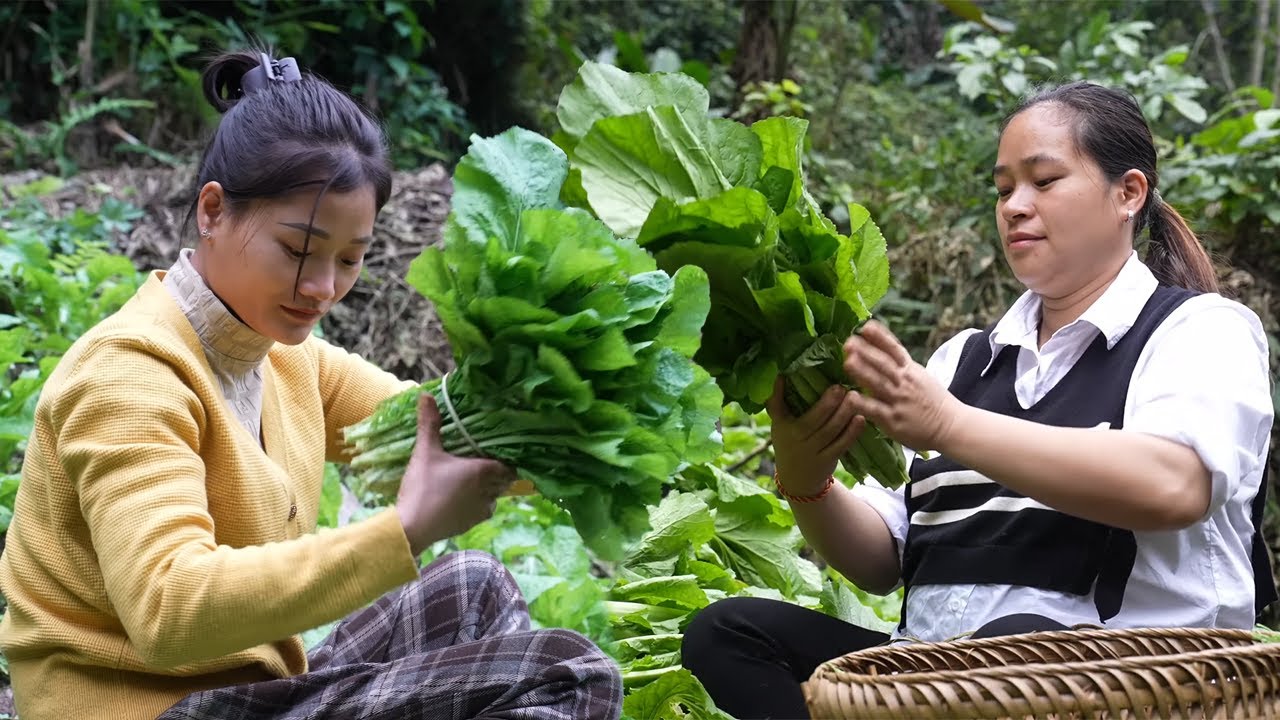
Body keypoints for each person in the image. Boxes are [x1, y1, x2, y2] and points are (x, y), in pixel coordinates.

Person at [0, 49, 622, 720]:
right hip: (147, 710)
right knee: (567, 675)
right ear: (213, 211)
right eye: (298, 251)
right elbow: (167, 609)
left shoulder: (287, 359)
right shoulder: (129, 374)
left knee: (474, 588)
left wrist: (577, 415)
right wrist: (405, 530)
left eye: (349, 259)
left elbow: (438, 428)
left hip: (247, 693)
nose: (323, 288)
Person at [681, 81, 1276, 720]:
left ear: (1128, 193)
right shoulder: (963, 359)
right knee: (727, 633)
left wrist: (951, 424)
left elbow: (1173, 485)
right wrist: (807, 479)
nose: (1015, 206)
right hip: (933, 681)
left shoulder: (1199, 329)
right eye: (1002, 189)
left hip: (1118, 690)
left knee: (1012, 649)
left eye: (1043, 181)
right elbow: (885, 562)